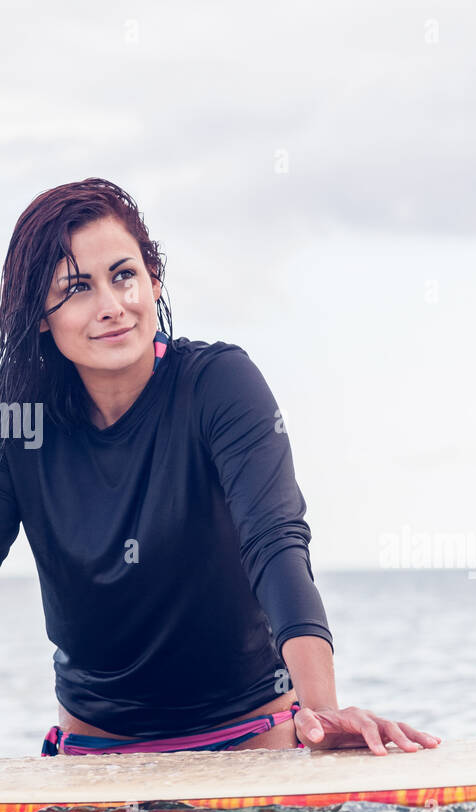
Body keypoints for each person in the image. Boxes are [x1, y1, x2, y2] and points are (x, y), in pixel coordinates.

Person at [0, 178, 440, 759]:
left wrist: (322, 711)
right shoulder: (20, 422)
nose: (112, 306)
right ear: (38, 317)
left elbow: (275, 542)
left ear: (153, 280)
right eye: (77, 288)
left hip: (247, 743)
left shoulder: (219, 386)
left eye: (124, 275)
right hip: (93, 762)